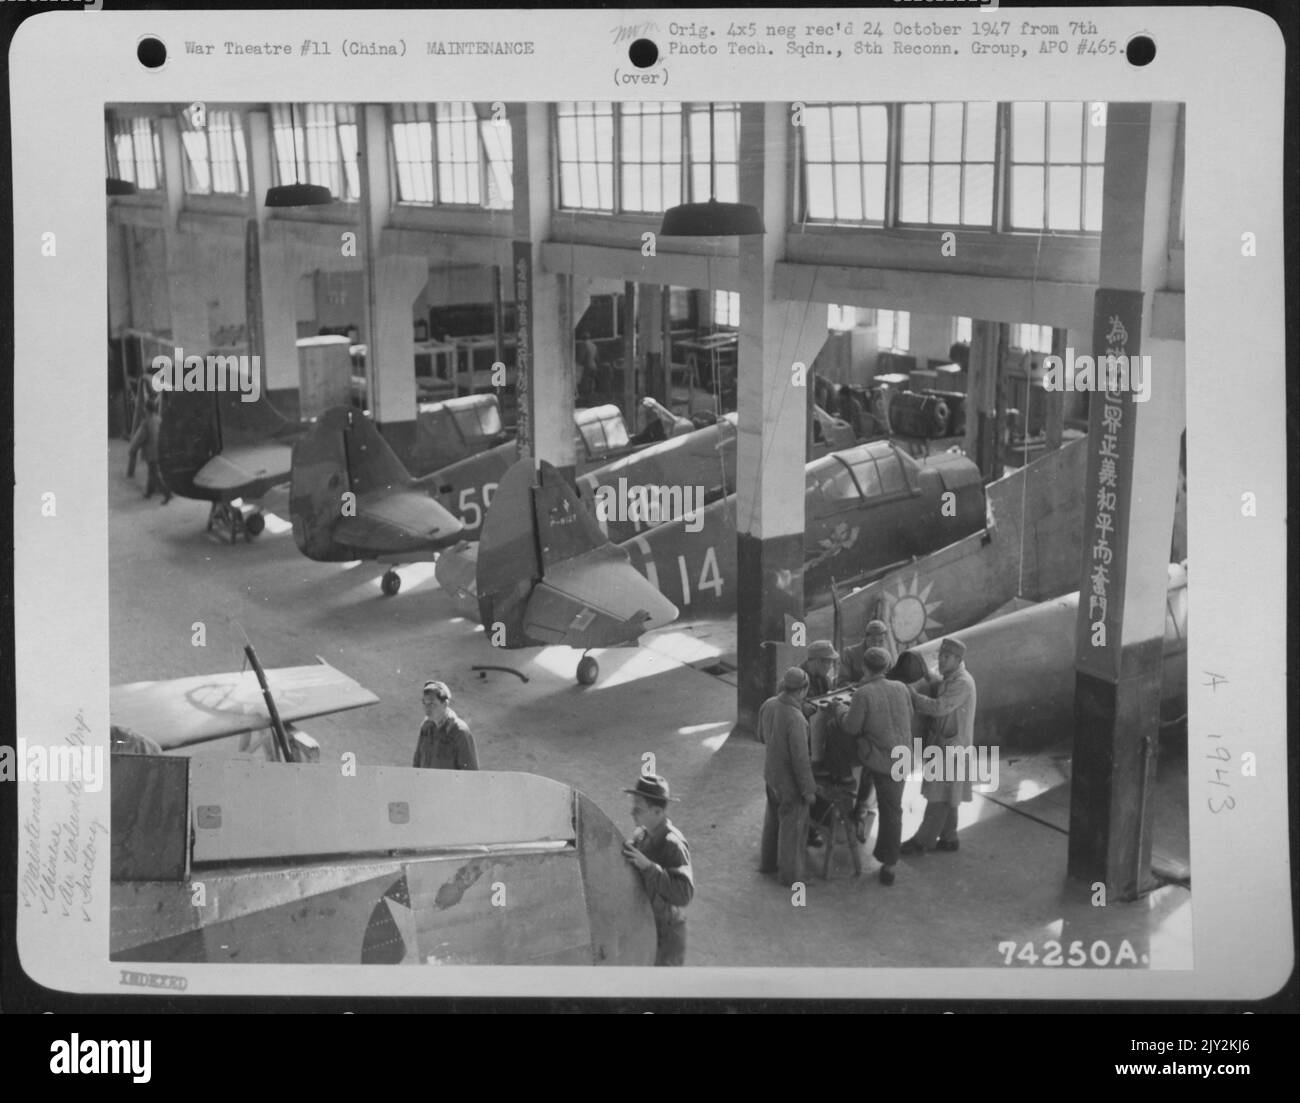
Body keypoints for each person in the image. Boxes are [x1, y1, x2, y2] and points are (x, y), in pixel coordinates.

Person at [835, 647, 914, 885]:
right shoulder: (900, 687)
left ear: (864, 667)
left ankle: (889, 866)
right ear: (887, 667)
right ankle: (861, 812)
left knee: (890, 812)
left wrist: (839, 708)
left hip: (881, 760)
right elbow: (907, 715)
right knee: (893, 808)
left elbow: (850, 727)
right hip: (902, 757)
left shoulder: (864, 693)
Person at [901, 637, 978, 855]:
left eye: (946, 657)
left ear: (958, 659)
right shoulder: (952, 677)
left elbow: (939, 707)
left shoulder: (962, 682)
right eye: (940, 656)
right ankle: (949, 838)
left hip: (951, 748)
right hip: (946, 744)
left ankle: (921, 842)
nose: (941, 660)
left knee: (939, 798)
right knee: (949, 794)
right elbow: (939, 685)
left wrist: (913, 696)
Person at [622, 773, 694, 966]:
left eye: (638, 809)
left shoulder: (673, 844)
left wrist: (649, 867)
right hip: (647, 926)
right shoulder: (641, 836)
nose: (632, 813)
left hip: (668, 936)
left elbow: (684, 894)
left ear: (657, 812)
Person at [758, 667, 818, 884]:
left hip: (771, 776)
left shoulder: (769, 704)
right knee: (793, 831)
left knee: (773, 822)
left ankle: (767, 864)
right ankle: (791, 878)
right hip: (790, 785)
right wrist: (809, 790)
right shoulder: (796, 719)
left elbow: (761, 736)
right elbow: (801, 761)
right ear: (804, 689)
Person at [839, 620, 893, 833]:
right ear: (866, 637)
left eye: (882, 640)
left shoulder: (886, 655)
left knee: (870, 763)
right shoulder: (850, 654)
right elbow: (840, 684)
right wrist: (861, 684)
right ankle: (845, 803)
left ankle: (861, 807)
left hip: (874, 714)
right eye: (875, 639)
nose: (878, 643)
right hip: (853, 708)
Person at [411, 680, 479, 770]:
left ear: (445, 704)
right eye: (424, 703)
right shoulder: (425, 727)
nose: (427, 709)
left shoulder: (460, 731)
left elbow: (470, 772)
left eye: (432, 704)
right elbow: (417, 764)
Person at [141, 398, 171, 503]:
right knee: (153, 472)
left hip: (151, 451)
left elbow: (142, 437)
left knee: (154, 473)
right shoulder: (159, 419)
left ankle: (167, 493)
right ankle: (149, 492)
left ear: (147, 409)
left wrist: (134, 446)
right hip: (159, 449)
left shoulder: (146, 422)